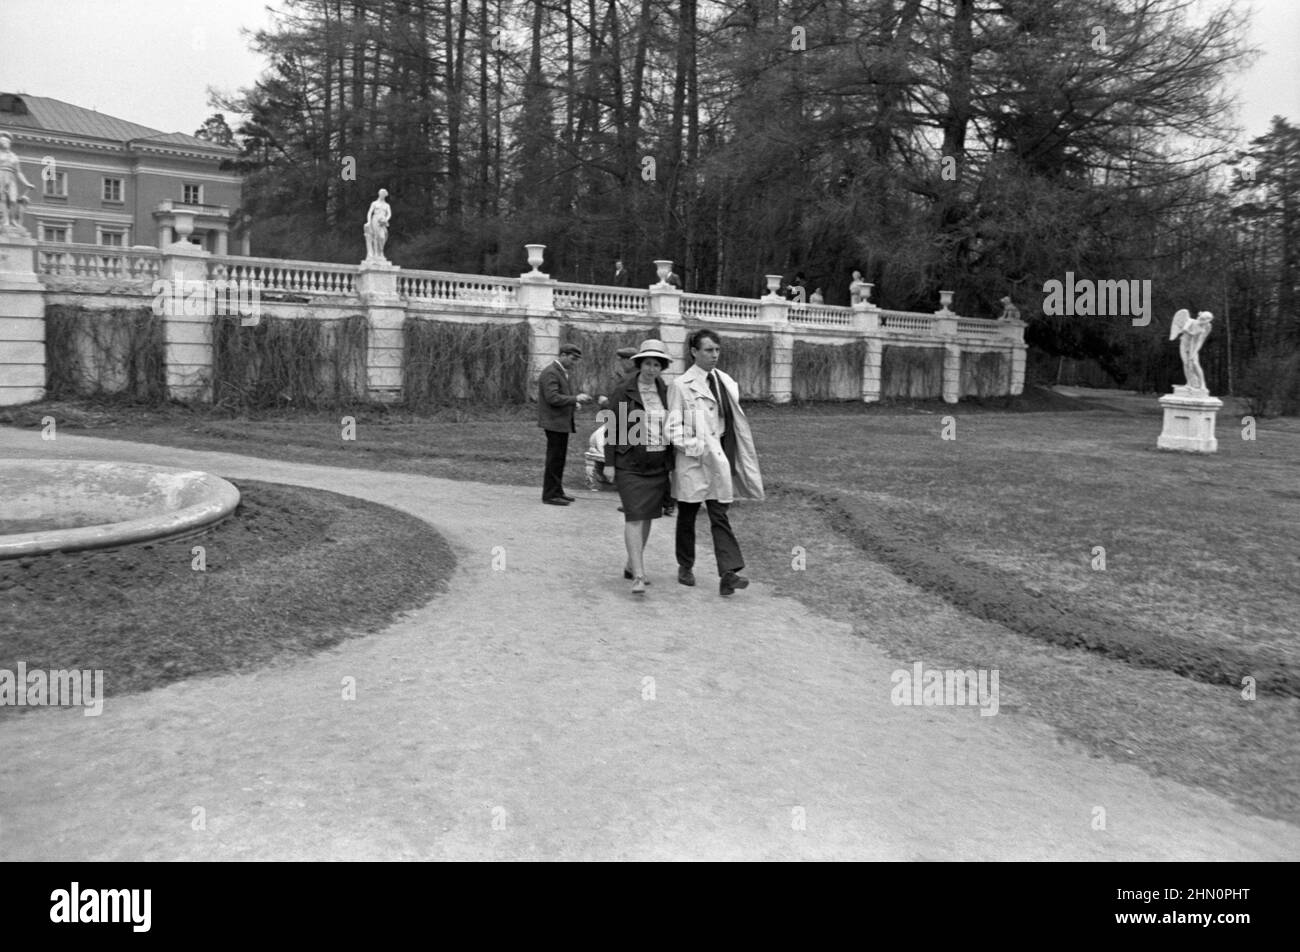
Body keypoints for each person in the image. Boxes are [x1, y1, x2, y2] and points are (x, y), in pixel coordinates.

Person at [666, 329, 765, 596]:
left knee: (719, 515)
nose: (714, 355)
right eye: (709, 350)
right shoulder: (680, 386)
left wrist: (720, 450)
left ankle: (729, 573)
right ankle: (685, 565)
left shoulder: (726, 382)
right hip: (694, 459)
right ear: (694, 352)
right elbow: (673, 428)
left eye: (717, 350)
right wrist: (697, 447)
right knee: (687, 514)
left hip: (719, 456)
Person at [601, 340, 675, 595]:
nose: (652, 369)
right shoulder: (624, 390)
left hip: (657, 462)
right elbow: (612, 427)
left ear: (661, 367)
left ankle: (632, 564)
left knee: (647, 517)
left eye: (657, 364)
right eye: (648, 363)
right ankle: (640, 575)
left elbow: (674, 425)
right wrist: (609, 463)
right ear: (639, 364)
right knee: (634, 514)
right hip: (628, 462)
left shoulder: (666, 391)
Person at [537, 343, 591, 505]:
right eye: (573, 358)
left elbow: (560, 396)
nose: (574, 362)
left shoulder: (560, 372)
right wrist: (576, 398)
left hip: (559, 423)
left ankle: (557, 491)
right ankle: (550, 495)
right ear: (563, 355)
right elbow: (552, 398)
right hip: (554, 423)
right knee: (554, 459)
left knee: (559, 459)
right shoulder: (551, 372)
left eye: (576, 360)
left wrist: (573, 404)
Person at [0, 133, 35, 233]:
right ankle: (6, 221)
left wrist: (27, 183)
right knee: (2, 200)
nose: (4, 143)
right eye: (2, 141)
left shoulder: (14, 157)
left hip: (11, 178)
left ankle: (12, 220)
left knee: (13, 200)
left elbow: (19, 172)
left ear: (9, 143)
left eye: (6, 141)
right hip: (0, 175)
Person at [364, 188, 391, 260]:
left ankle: (381, 251)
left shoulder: (387, 205)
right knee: (376, 237)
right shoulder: (374, 203)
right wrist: (369, 221)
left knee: (383, 237)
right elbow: (369, 212)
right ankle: (377, 253)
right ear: (379, 194)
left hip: (383, 222)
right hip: (375, 220)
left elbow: (389, 214)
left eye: (384, 195)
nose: (383, 196)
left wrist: (386, 219)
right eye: (382, 194)